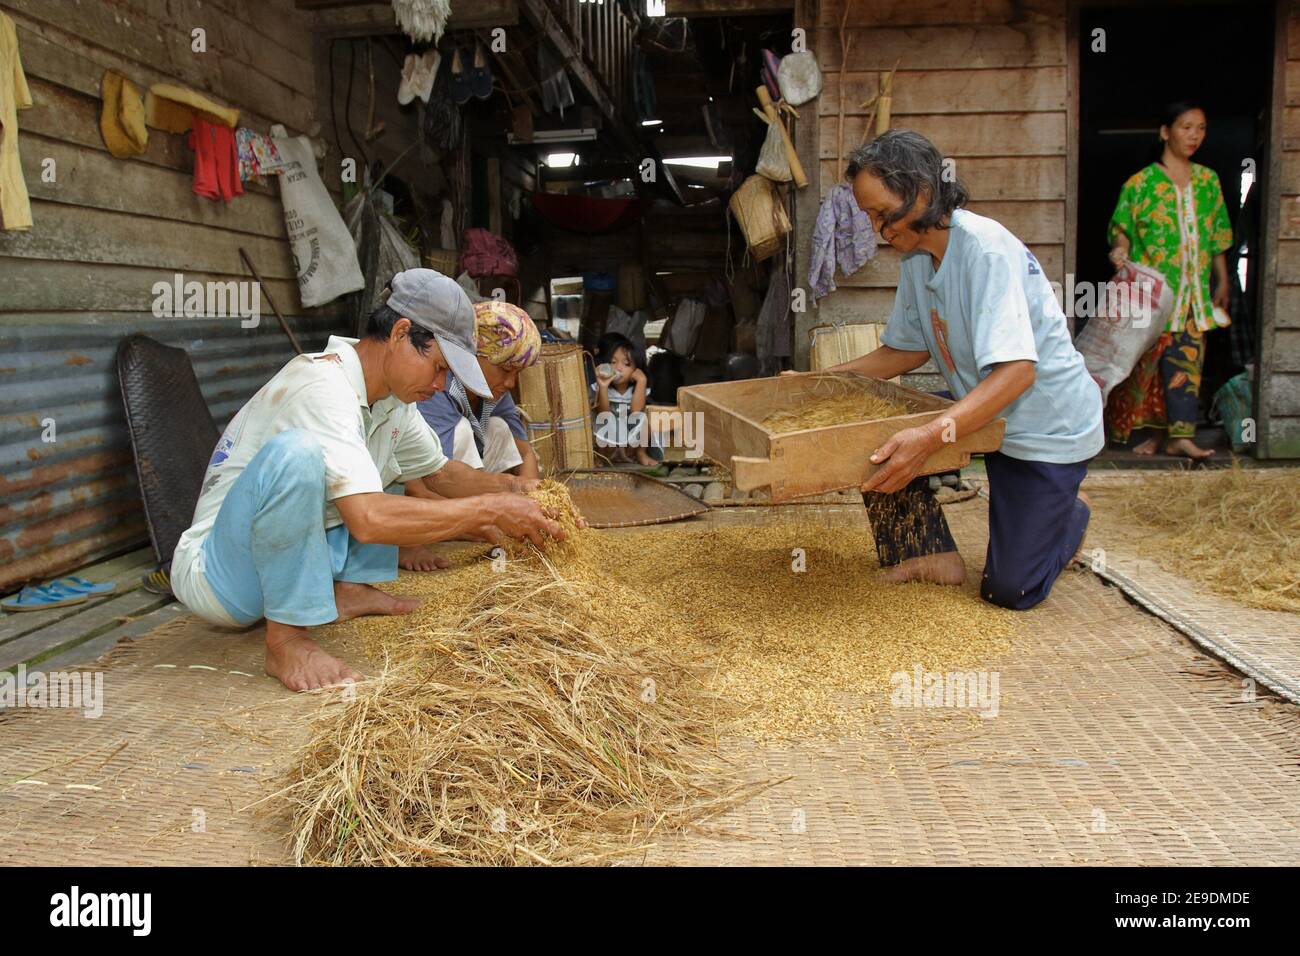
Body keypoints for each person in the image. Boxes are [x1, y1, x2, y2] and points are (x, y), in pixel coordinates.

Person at [169, 269, 565, 692]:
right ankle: (286, 641)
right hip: (218, 578)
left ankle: (347, 587)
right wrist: (490, 511)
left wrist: (520, 492)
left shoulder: (393, 401)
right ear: (400, 333)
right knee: (299, 455)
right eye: (437, 367)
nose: (439, 385)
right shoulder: (321, 386)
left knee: (383, 456)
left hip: (268, 569)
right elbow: (370, 520)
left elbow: (442, 473)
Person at [812, 129, 1104, 610]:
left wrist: (929, 438)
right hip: (986, 413)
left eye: (883, 213)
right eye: (870, 216)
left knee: (1010, 591)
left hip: (1046, 429)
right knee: (871, 431)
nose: (878, 228)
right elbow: (903, 352)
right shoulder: (917, 261)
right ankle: (929, 553)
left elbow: (1017, 374)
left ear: (922, 192)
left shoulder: (986, 251)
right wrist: (823, 385)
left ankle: (1068, 515)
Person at [1105, 101, 1234, 460]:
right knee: (1147, 368)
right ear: (1166, 132)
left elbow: (1218, 237)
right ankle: (1154, 435)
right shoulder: (1141, 184)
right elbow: (1121, 230)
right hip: (1153, 295)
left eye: (1201, 128)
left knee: (1187, 364)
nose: (1194, 135)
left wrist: (1222, 282)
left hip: (1194, 295)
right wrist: (1119, 251)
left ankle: (1181, 436)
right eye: (1186, 127)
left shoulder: (1209, 182)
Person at [400, 299, 542, 572]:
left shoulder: (494, 392)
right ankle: (461, 522)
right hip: (431, 487)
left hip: (461, 479)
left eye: (517, 374)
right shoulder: (437, 387)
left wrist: (534, 504)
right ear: (475, 357)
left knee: (500, 429)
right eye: (505, 370)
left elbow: (525, 453)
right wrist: (473, 518)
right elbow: (419, 481)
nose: (511, 383)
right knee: (462, 431)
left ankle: (479, 515)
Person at [591, 331, 663, 468]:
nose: (619, 368)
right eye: (613, 362)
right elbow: (603, 412)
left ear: (636, 369)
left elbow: (636, 411)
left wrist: (642, 380)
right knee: (603, 419)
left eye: (626, 364)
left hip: (630, 441)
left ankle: (641, 453)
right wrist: (603, 386)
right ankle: (600, 456)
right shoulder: (600, 386)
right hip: (608, 443)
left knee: (644, 419)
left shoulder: (636, 388)